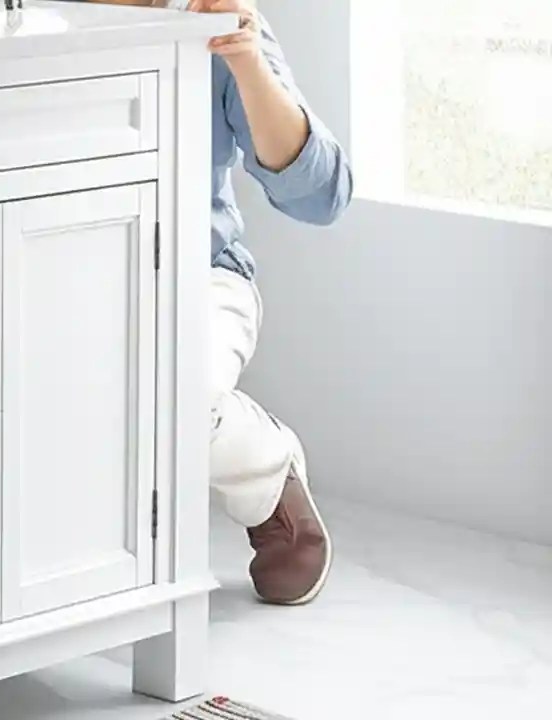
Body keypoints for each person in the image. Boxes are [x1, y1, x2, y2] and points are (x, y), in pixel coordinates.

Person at [89, 0, 355, 604]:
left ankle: (265, 467)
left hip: (198, 276)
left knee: (168, 390)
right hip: (61, 279)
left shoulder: (206, 14)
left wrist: (248, 64)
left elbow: (322, 195)